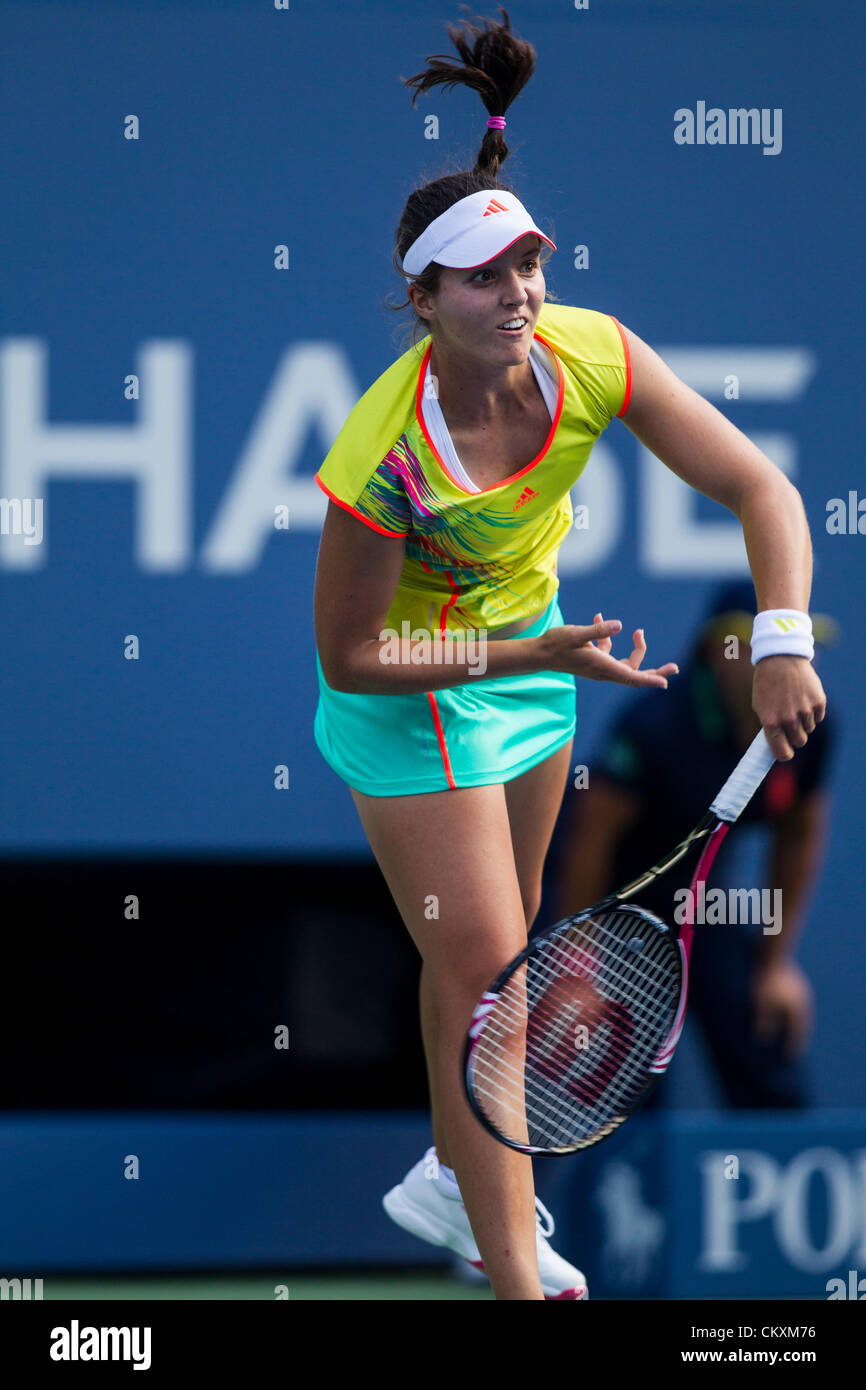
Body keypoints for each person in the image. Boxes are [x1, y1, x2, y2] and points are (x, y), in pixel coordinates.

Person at [311, 8, 826, 1301]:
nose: (518, 293)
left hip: (529, 669)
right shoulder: (385, 452)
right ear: (424, 300)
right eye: (484, 276)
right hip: (410, 695)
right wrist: (521, 644)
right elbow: (353, 650)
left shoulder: (589, 356)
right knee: (491, 975)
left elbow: (761, 490)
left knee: (491, 960)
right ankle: (515, 1277)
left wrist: (775, 641)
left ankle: (456, 1173)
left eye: (528, 265)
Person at [550, 581, 838, 1109]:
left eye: (800, 648)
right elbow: (589, 838)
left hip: (701, 895)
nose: (789, 665)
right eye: (760, 648)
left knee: (760, 1029)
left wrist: (775, 963)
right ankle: (600, 1187)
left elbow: (798, 836)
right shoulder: (657, 726)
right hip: (601, 894)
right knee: (618, 1077)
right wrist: (577, 966)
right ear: (716, 651)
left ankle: (772, 1172)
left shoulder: (810, 722)